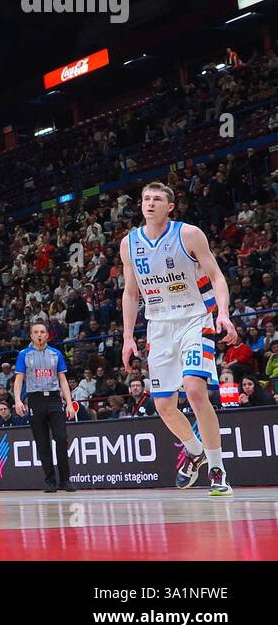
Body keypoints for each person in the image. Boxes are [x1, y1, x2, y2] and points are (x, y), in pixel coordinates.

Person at [122, 182, 237, 495]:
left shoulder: (188, 234)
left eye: (157, 199)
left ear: (169, 206)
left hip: (195, 319)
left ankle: (217, 470)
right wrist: (127, 336)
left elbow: (216, 276)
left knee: (196, 391)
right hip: (159, 327)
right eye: (146, 198)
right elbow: (131, 293)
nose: (150, 203)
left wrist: (223, 313)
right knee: (164, 405)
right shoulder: (129, 243)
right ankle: (195, 451)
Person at [13, 321, 77, 492]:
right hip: (35, 400)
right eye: (36, 332)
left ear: (48, 335)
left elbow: (63, 380)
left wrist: (69, 403)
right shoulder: (24, 355)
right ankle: (50, 480)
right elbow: (18, 380)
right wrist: (18, 400)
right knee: (42, 443)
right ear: (31, 335)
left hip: (55, 400)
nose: (39, 335)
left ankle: (65, 480)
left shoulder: (56, 354)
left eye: (42, 331)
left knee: (61, 438)